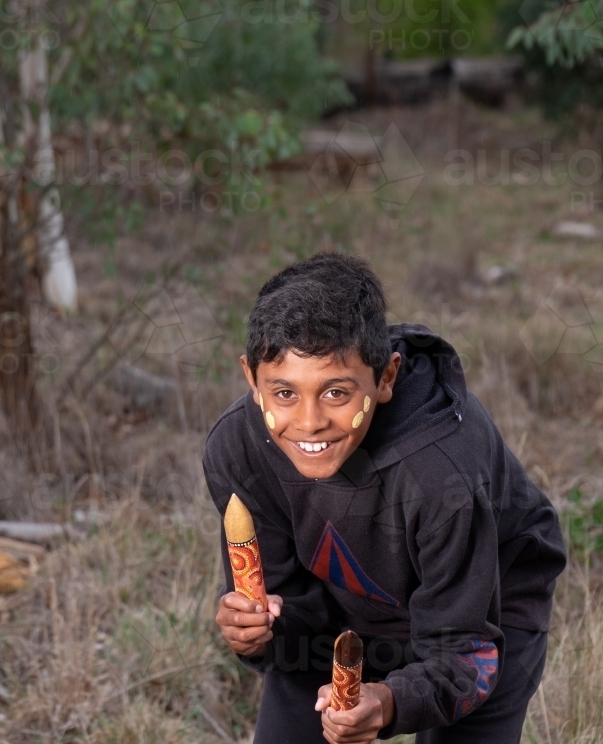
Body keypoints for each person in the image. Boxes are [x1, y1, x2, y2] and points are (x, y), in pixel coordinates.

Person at [203, 252, 566, 743]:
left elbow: (464, 650)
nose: (309, 422)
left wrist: (390, 702)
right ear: (252, 379)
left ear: (386, 377)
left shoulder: (442, 473)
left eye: (336, 393)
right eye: (284, 393)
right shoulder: (239, 450)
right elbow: (289, 615)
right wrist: (257, 632)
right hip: (339, 614)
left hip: (481, 616)